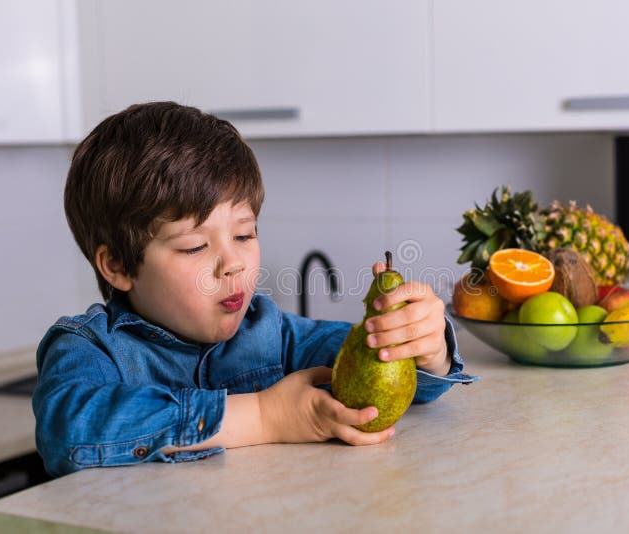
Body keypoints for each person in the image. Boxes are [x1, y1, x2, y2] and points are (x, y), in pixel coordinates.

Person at [33, 102, 476, 477]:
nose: (234, 264)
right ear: (118, 265)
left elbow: (375, 378)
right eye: (194, 246)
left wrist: (422, 350)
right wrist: (264, 417)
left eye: (244, 235)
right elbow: (68, 430)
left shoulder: (271, 332)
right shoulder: (88, 347)